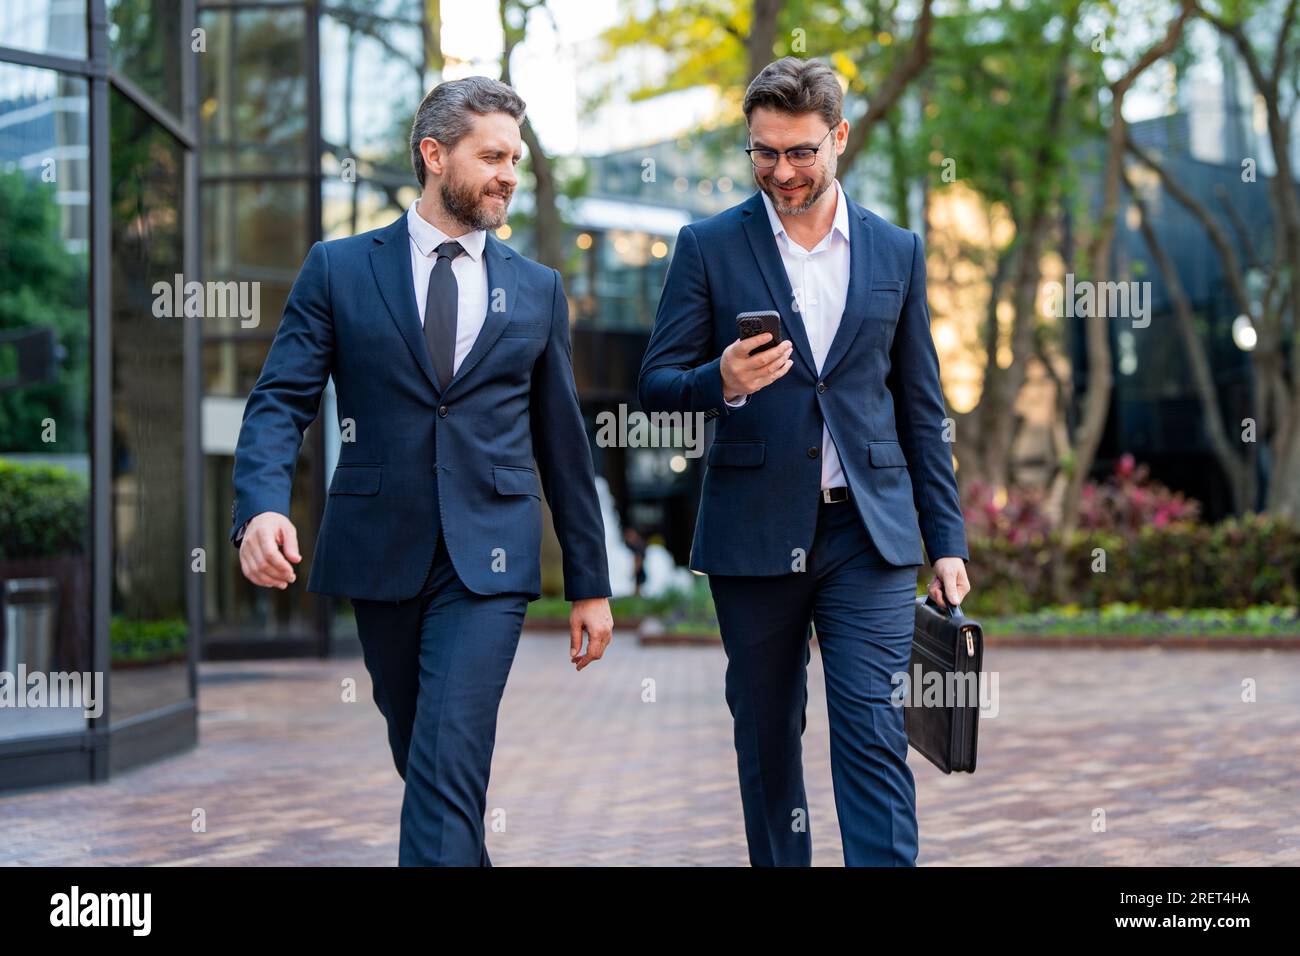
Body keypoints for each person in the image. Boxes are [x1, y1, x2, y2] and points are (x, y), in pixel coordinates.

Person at [230, 76, 613, 866]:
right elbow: (280, 400)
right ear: (435, 156)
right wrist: (259, 507)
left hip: (491, 562)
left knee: (446, 751)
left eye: (516, 156)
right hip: (381, 551)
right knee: (429, 760)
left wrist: (590, 581)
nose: (510, 172)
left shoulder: (536, 290)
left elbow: (563, 444)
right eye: (493, 155)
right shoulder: (338, 269)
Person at [638, 56, 972, 866]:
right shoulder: (708, 246)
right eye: (764, 153)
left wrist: (948, 539)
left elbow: (921, 409)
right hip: (755, 537)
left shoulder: (896, 251)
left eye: (801, 153)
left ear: (840, 138)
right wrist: (718, 380)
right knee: (767, 735)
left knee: (870, 727)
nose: (782, 173)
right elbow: (653, 387)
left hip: (869, 533)